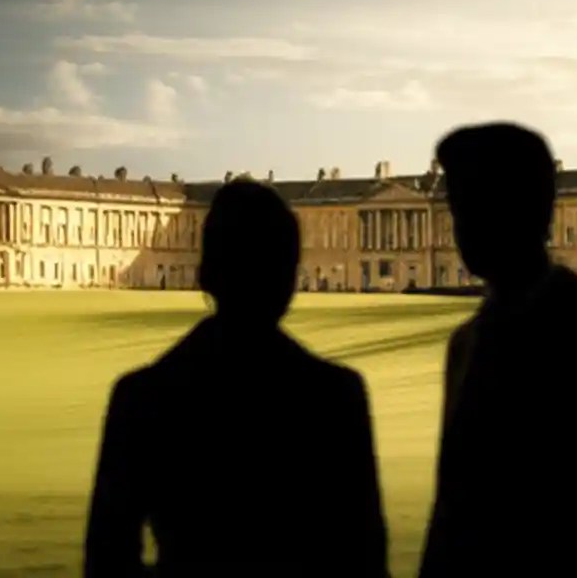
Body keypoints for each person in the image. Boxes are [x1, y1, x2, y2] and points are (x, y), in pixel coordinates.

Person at [84, 179, 389, 578]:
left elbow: (107, 561)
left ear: (205, 274)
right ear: (290, 279)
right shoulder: (335, 396)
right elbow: (364, 558)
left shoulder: (141, 397)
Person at [418, 123, 577, 577]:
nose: (463, 228)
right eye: (458, 208)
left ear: (532, 207)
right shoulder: (464, 344)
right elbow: (450, 511)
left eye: (478, 205)